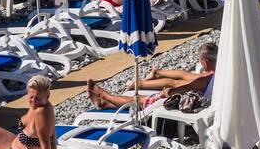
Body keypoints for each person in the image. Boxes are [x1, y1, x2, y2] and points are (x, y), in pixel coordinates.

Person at [86, 42, 218, 110]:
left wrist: (166, 92)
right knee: (181, 79)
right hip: (208, 96)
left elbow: (180, 87)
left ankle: (104, 97)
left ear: (205, 61)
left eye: (200, 60)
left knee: (140, 100)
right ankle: (107, 103)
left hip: (195, 103)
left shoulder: (204, 79)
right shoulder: (221, 72)